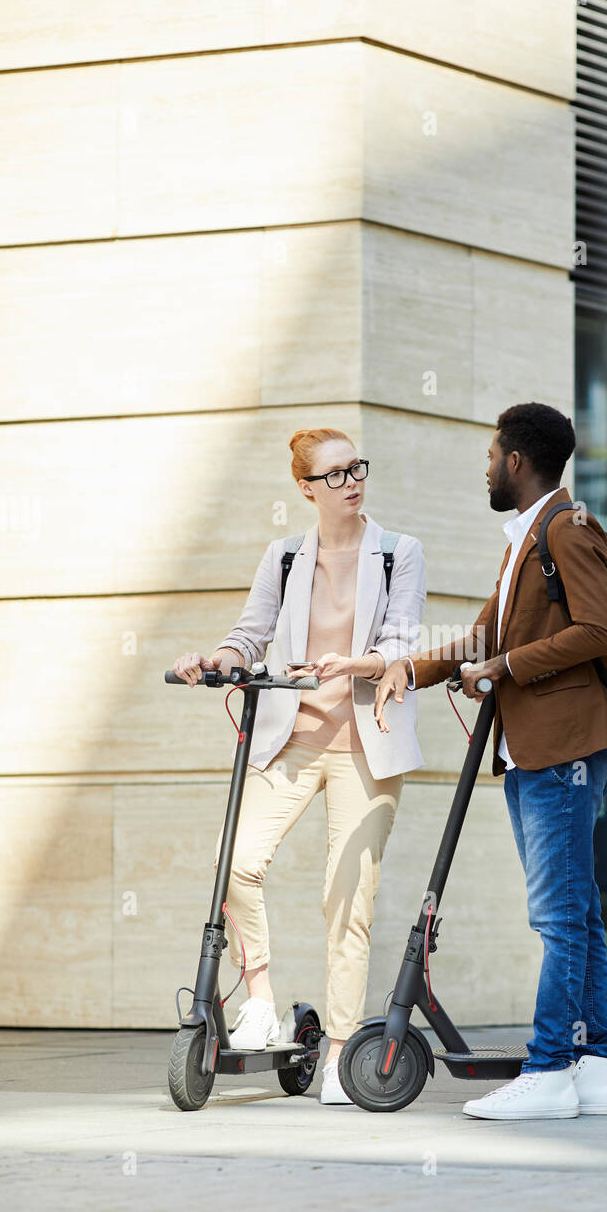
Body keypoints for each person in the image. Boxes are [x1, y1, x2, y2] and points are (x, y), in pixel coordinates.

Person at [374, 402, 607, 1120]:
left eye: (490, 455)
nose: (484, 466)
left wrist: (505, 667)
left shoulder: (567, 530)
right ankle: (595, 1064)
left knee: (556, 916)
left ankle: (549, 1071)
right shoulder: (527, 539)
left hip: (565, 749)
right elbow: (481, 634)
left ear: (516, 460)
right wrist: (409, 670)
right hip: (537, 750)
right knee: (576, 913)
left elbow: (598, 632)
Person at [172, 428, 425, 1104]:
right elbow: (249, 633)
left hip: (367, 745)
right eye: (335, 474)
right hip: (292, 738)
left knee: (348, 898)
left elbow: (403, 642)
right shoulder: (284, 558)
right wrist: (214, 661)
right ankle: (260, 999)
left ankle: (343, 1050)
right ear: (306, 488)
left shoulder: (400, 553)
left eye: (356, 469)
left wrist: (361, 663)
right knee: (239, 863)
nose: (352, 482)